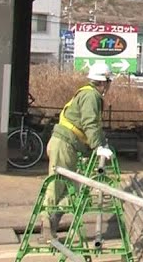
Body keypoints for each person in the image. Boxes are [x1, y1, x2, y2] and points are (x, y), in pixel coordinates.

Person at [43, 60, 114, 238]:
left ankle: (51, 225)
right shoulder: (91, 96)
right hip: (64, 144)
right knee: (57, 185)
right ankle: (47, 227)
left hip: (68, 145)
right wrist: (98, 146)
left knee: (73, 189)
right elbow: (90, 123)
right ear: (104, 82)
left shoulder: (88, 94)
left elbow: (93, 126)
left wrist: (102, 142)